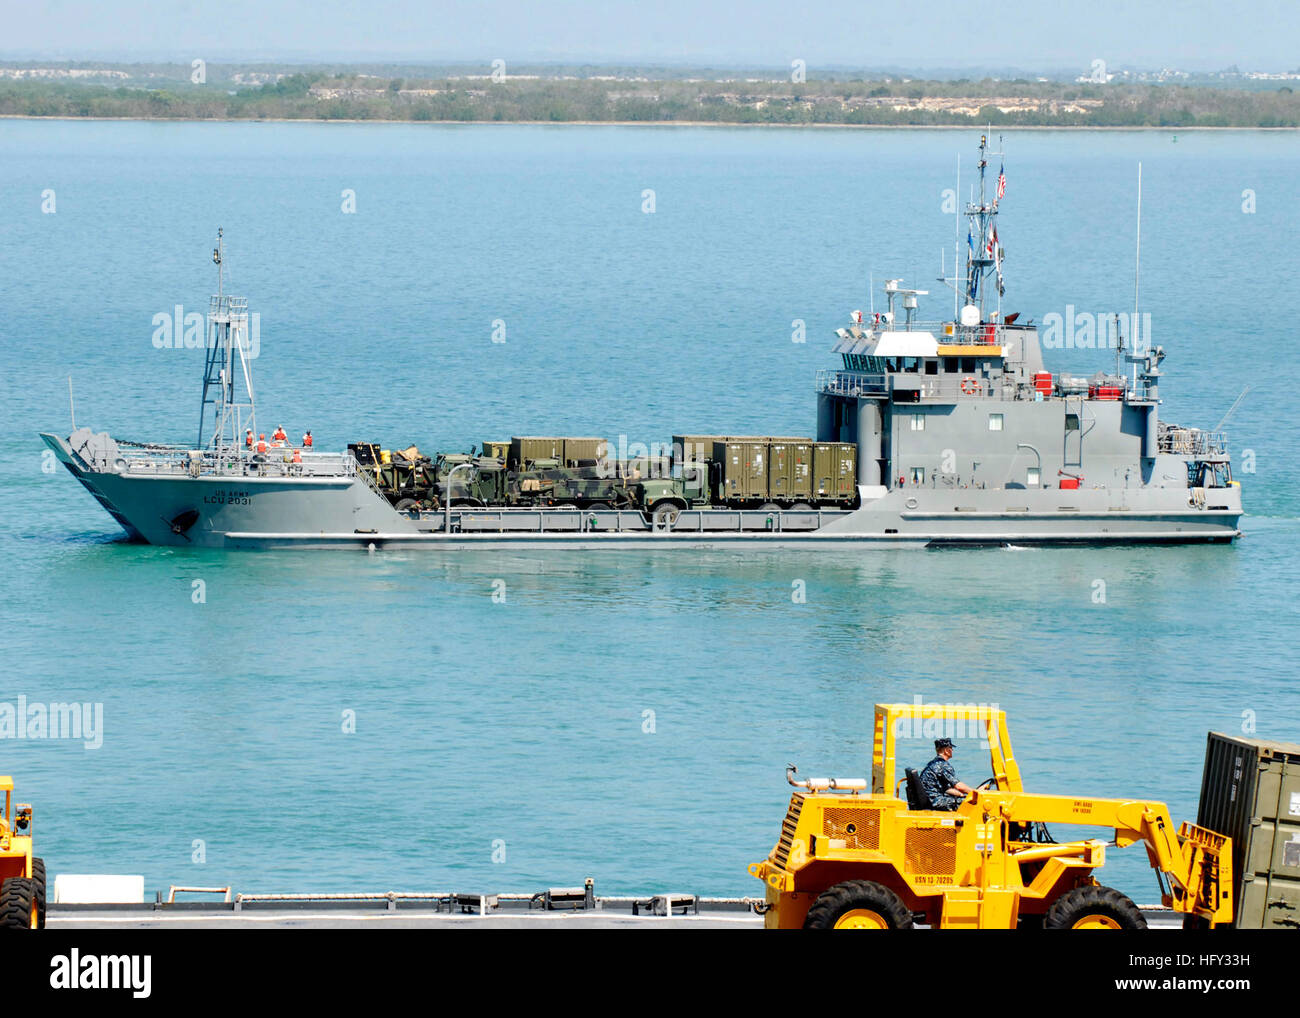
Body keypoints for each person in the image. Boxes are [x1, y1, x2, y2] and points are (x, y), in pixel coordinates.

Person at [918, 738, 973, 811]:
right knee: (969, 803)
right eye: (951, 748)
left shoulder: (932, 763)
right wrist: (977, 793)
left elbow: (947, 789)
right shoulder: (943, 765)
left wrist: (961, 795)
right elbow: (959, 787)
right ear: (946, 751)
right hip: (935, 801)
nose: (952, 750)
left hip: (930, 799)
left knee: (963, 798)